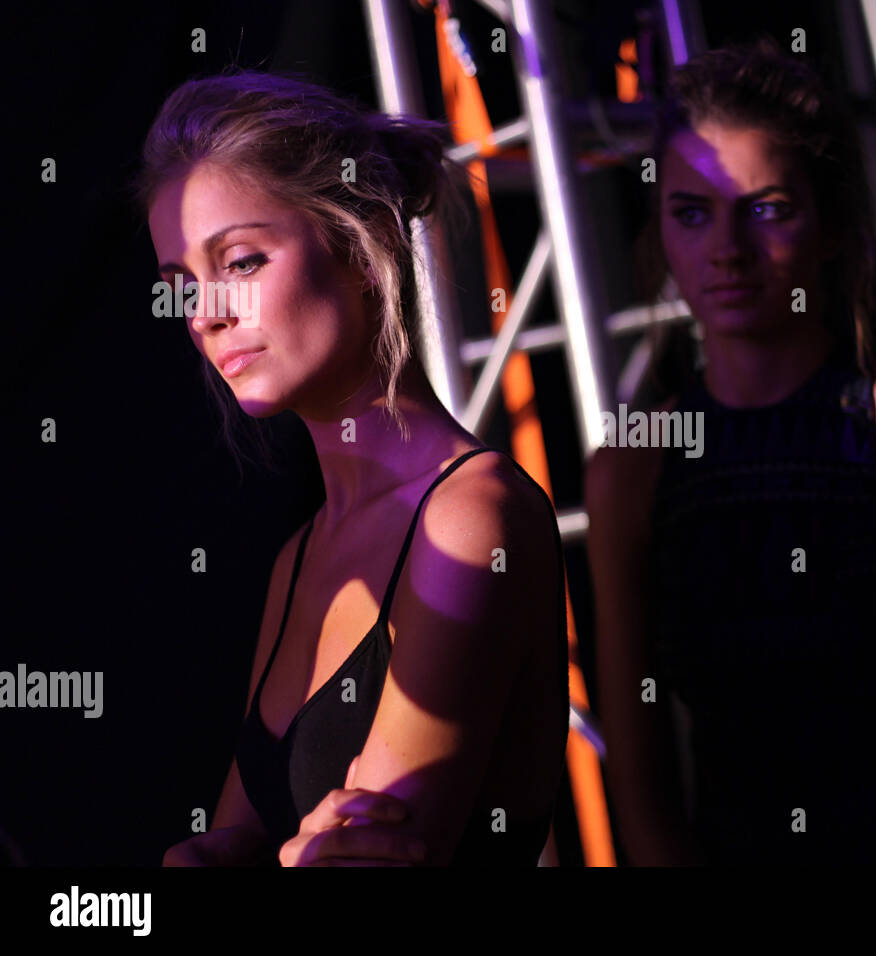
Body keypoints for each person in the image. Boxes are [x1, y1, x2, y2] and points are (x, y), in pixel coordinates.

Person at [586, 41, 876, 865]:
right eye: (692, 212)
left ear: (830, 224)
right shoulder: (634, 464)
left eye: (765, 208)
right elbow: (640, 792)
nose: (726, 248)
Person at [140, 71, 569, 866]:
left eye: (239, 262)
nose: (204, 314)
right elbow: (238, 841)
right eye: (181, 285)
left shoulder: (470, 518)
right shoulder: (297, 558)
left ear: (363, 240)